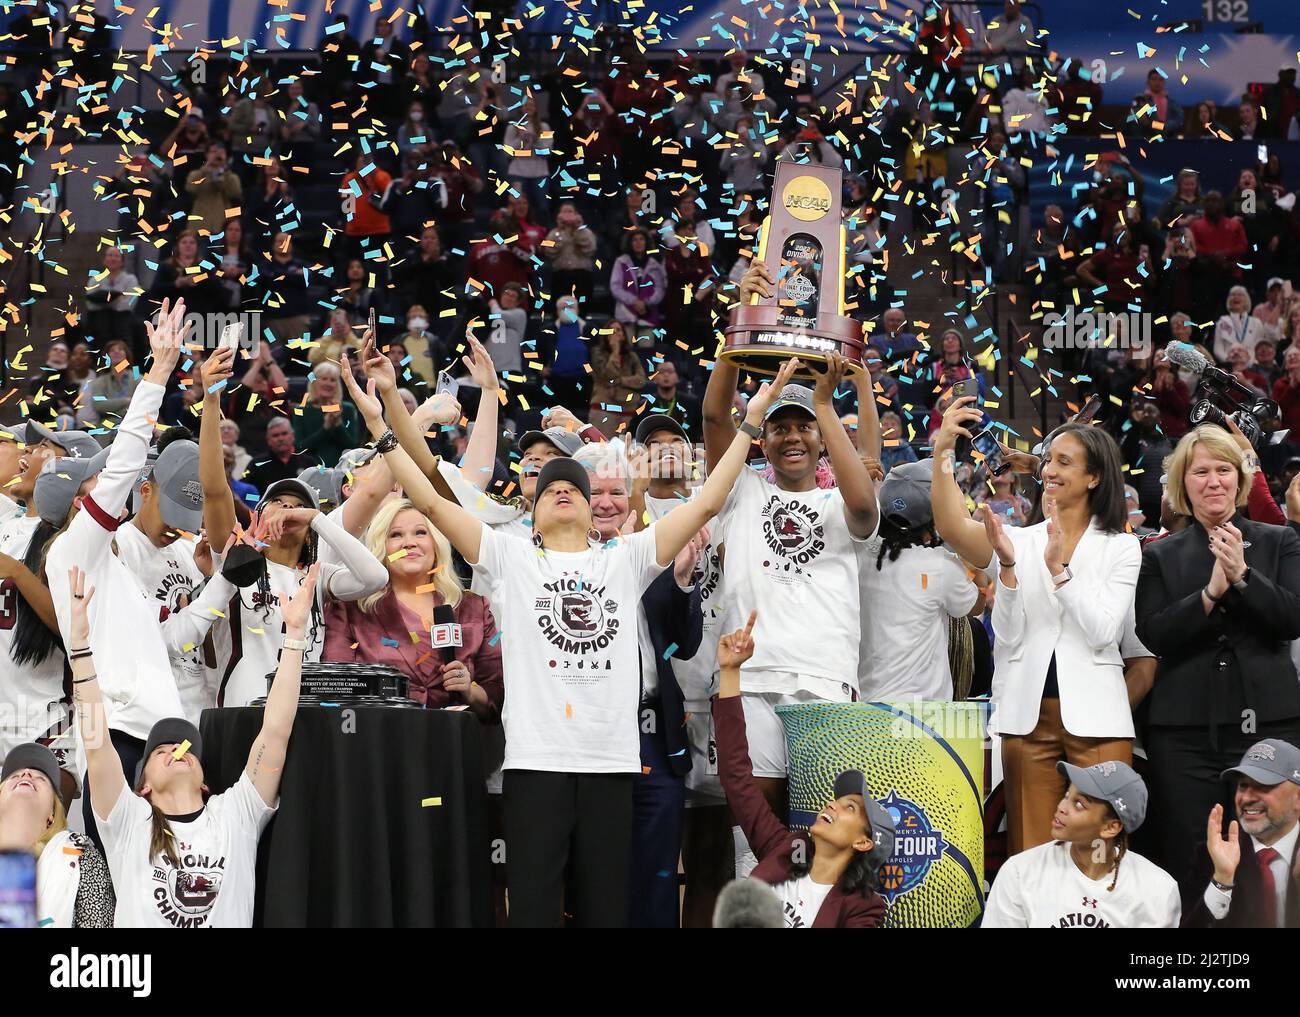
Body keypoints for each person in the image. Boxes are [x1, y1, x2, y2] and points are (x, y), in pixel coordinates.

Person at [363, 340, 802, 927]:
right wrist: (390, 412)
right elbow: (432, 501)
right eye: (549, 487)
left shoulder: (625, 558)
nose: (562, 489)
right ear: (535, 510)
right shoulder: (510, 556)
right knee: (536, 909)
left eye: (573, 483)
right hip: (534, 761)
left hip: (610, 762)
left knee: (604, 910)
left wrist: (749, 424)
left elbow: (707, 504)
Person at [42, 301, 237, 846]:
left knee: (154, 879)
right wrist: (157, 372)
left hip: (154, 730)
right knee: (107, 880)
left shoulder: (107, 569)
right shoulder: (75, 550)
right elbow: (126, 462)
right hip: (121, 733)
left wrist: (221, 579)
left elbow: (162, 636)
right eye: (97, 485)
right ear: (80, 503)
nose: (113, 488)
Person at [707, 264, 880, 874]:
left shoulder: (841, 501)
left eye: (803, 426)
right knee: (752, 833)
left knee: (824, 846)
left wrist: (827, 404)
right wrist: (740, 317)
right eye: (779, 427)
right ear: (763, 438)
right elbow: (713, 418)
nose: (792, 437)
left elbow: (865, 503)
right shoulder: (740, 490)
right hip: (753, 678)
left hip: (826, 676)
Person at [932, 402, 1139, 856]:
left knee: (1099, 854)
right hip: (1027, 719)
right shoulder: (1018, 540)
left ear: (1095, 477)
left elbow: (1104, 632)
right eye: (1048, 461)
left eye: (1065, 462)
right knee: (1030, 852)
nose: (1049, 470)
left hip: (1099, 720)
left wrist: (1060, 571)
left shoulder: (1123, 547)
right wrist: (944, 450)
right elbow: (949, 525)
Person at [70, 559, 317, 928]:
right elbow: (96, 742)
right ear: (143, 786)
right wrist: (79, 651)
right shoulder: (127, 820)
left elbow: (276, 730)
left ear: (204, 781)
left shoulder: (237, 815)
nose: (174, 749)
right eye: (159, 751)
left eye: (183, 748)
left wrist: (295, 635)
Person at [1135, 425, 1300, 897]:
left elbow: (1292, 618)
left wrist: (1243, 577)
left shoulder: (1278, 541)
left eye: (1223, 470)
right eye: (1200, 471)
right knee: (1192, 856)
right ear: (1182, 484)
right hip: (1184, 736)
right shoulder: (1159, 555)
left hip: (1270, 725)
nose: (1213, 481)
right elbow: (1155, 633)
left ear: (1239, 479)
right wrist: (1208, 595)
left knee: (1270, 857)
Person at [713, 612, 893, 927]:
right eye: (839, 800)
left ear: (863, 842)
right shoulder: (783, 847)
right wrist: (730, 673)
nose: (833, 805)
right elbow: (736, 776)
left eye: (850, 807)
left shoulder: (863, 908)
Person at [628, 414, 727, 927]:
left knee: (710, 850)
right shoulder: (626, 509)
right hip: (655, 703)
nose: (666, 450)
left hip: (710, 689)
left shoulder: (717, 505)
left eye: (676, 442)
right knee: (649, 853)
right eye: (654, 443)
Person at [322, 494, 503, 719]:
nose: (409, 543)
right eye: (395, 535)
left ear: (436, 543)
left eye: (420, 532)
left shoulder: (473, 608)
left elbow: (497, 700)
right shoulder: (350, 608)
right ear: (380, 546)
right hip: (377, 743)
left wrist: (470, 691)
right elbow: (336, 689)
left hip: (455, 746)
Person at [982, 760, 1180, 928]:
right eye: (1067, 796)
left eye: (1078, 804)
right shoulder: (1019, 873)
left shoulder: (1157, 890)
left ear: (1110, 828)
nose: (1061, 808)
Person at [860, 460, 980, 702]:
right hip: (924, 717)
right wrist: (961, 512)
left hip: (866, 712)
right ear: (932, 523)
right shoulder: (941, 565)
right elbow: (975, 605)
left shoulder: (857, 556)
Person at [1187, 739, 1300, 928]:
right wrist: (1222, 881)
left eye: (1264, 786)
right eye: (1243, 786)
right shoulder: (1211, 855)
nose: (1247, 798)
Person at [0, 744, 113, 928]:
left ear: (52, 812)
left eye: (41, 778)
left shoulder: (81, 853)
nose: (27, 773)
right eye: (15, 775)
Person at [588, 319, 647, 438]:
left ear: (624, 335)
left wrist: (621, 380)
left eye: (619, 330)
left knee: (624, 451)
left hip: (628, 409)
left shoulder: (632, 356)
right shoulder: (597, 353)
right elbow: (606, 375)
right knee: (602, 449)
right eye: (611, 330)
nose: (615, 332)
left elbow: (641, 380)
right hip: (604, 407)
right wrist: (615, 352)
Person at [293, 362, 359, 468]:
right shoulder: (302, 410)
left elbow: (353, 446)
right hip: (311, 469)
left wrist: (338, 423)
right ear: (314, 382)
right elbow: (300, 448)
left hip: (342, 469)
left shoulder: (347, 409)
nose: (328, 383)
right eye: (324, 379)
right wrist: (326, 428)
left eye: (333, 380)